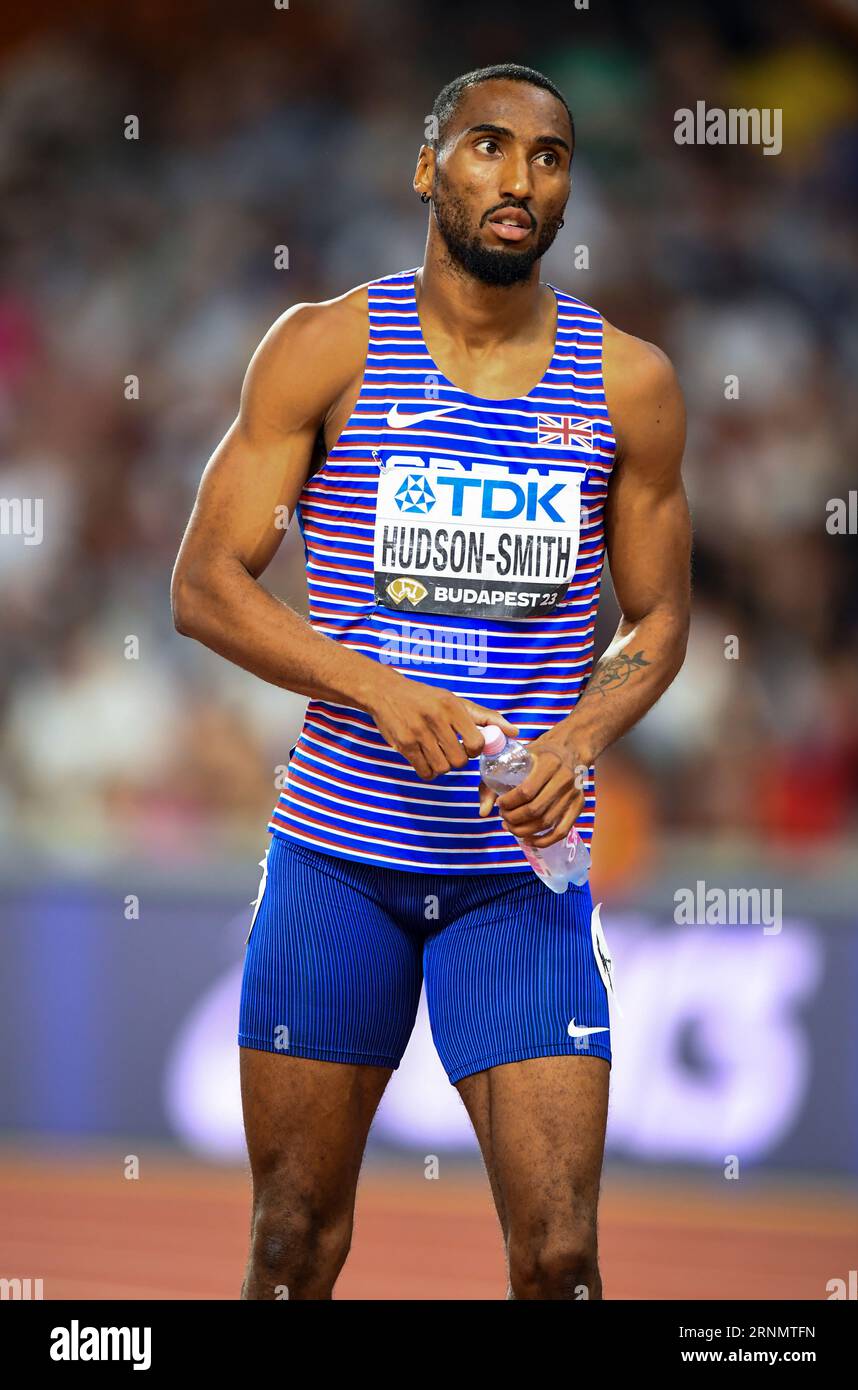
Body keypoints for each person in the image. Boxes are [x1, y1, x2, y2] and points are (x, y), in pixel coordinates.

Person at [172, 62, 691, 1300]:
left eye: (548, 158)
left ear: (565, 193)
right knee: (291, 1243)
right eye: (487, 146)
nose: (519, 178)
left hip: (518, 878)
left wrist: (576, 740)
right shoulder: (324, 349)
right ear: (426, 168)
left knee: (559, 1260)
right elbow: (204, 585)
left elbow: (662, 616)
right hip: (336, 864)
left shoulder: (628, 384)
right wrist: (375, 687)